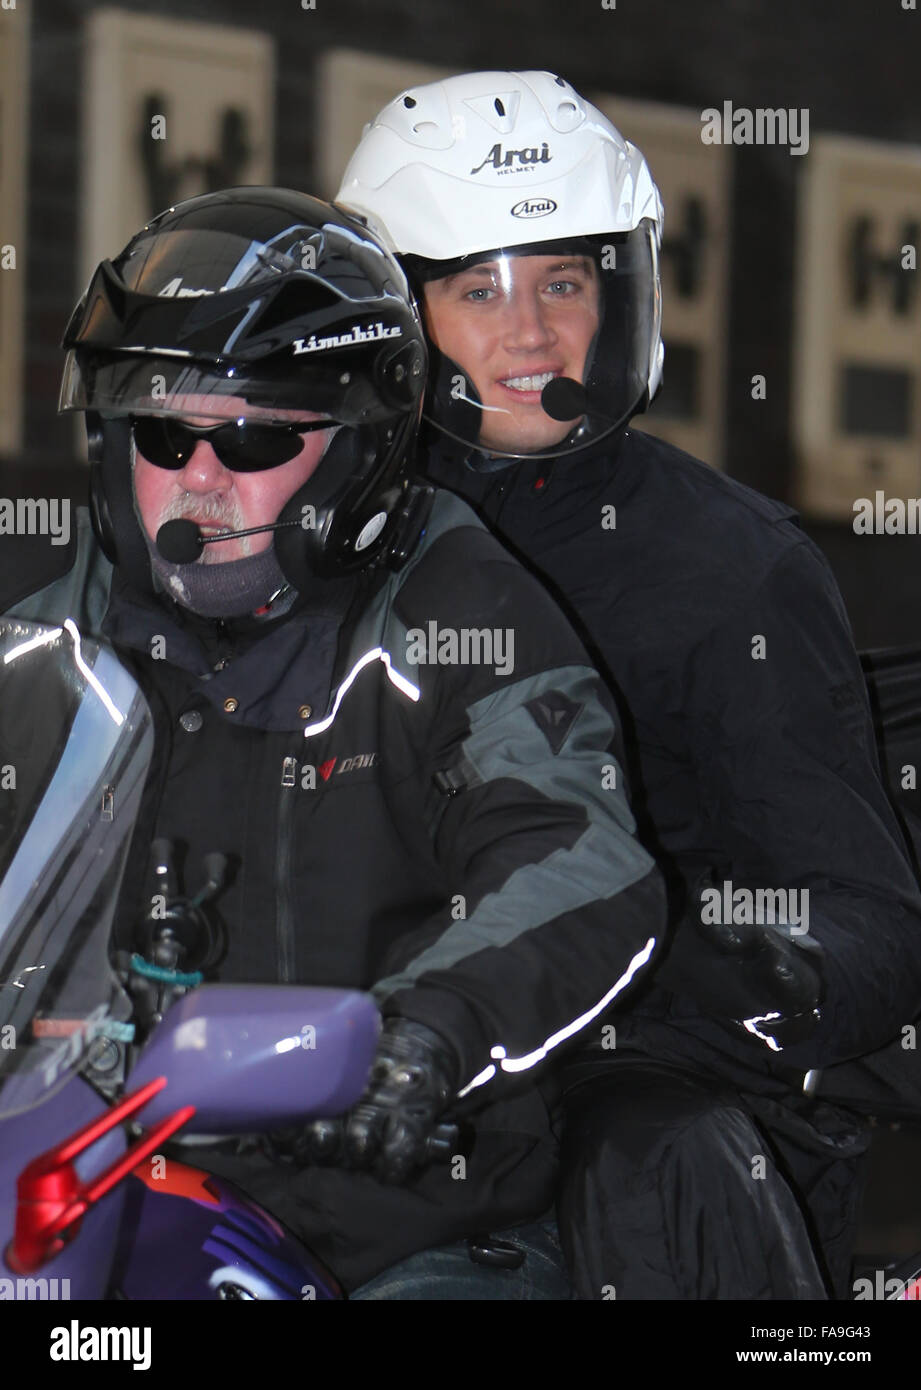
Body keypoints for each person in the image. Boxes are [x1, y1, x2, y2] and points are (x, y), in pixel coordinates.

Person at [2, 187, 667, 1299]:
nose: (200, 481)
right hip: (87, 1191)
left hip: (396, 1227)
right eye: (165, 433)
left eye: (253, 437)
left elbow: (580, 858)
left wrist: (419, 1038)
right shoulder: (37, 656)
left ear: (359, 454)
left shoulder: (459, 617)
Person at [336, 70, 921, 1299]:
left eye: (562, 281)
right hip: (379, 1070)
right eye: (475, 288)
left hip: (642, 1100)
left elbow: (874, 922)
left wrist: (726, 960)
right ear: (398, 312)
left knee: (648, 1159)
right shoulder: (328, 538)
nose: (530, 333)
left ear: (624, 294)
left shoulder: (733, 565)